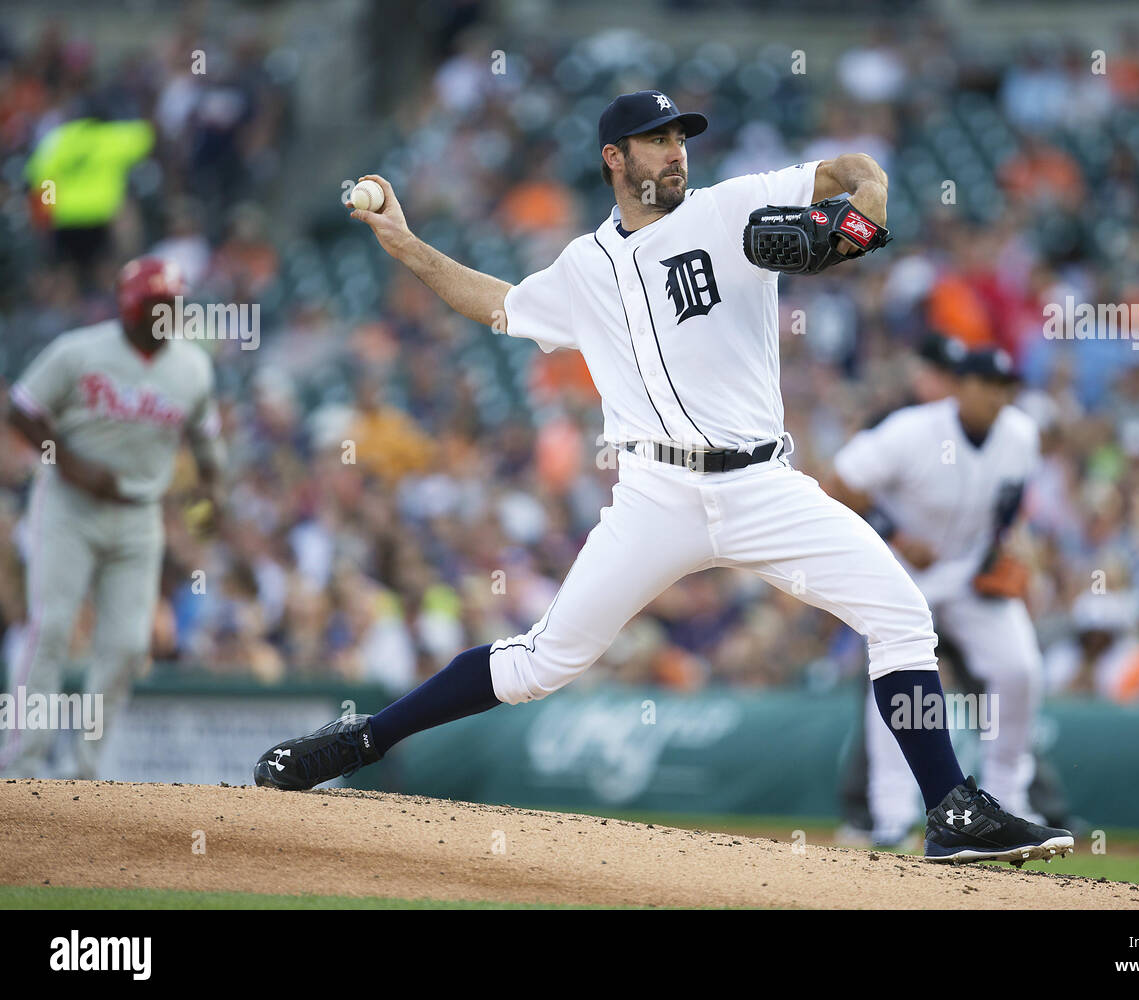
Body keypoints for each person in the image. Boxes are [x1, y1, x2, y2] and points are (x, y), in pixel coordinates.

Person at [253, 91, 1073, 865]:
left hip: (762, 484)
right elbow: (498, 306)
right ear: (616, 157)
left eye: (682, 137)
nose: (676, 151)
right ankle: (363, 741)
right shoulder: (583, 267)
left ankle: (953, 811)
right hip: (654, 496)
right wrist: (403, 243)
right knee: (542, 664)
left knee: (900, 614)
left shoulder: (733, 206)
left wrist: (866, 213)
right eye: (658, 139)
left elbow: (856, 168)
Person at [3, 257, 224, 778]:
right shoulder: (80, 350)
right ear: (129, 307)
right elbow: (21, 408)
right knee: (51, 627)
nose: (165, 315)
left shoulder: (192, 367)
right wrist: (69, 461)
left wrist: (213, 489)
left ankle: (85, 769)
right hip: (67, 506)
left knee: (126, 645)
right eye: (155, 307)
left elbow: (206, 437)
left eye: (171, 306)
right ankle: (20, 763)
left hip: (138, 516)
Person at [825, 348, 1048, 840]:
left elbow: (1010, 502)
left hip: (969, 578)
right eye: (988, 384)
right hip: (904, 574)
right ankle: (891, 814)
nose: (998, 396)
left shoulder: (1021, 435)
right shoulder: (912, 429)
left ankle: (1008, 799)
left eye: (1005, 386)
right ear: (962, 386)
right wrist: (898, 537)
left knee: (1020, 668)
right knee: (900, 672)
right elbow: (840, 481)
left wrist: (1001, 548)